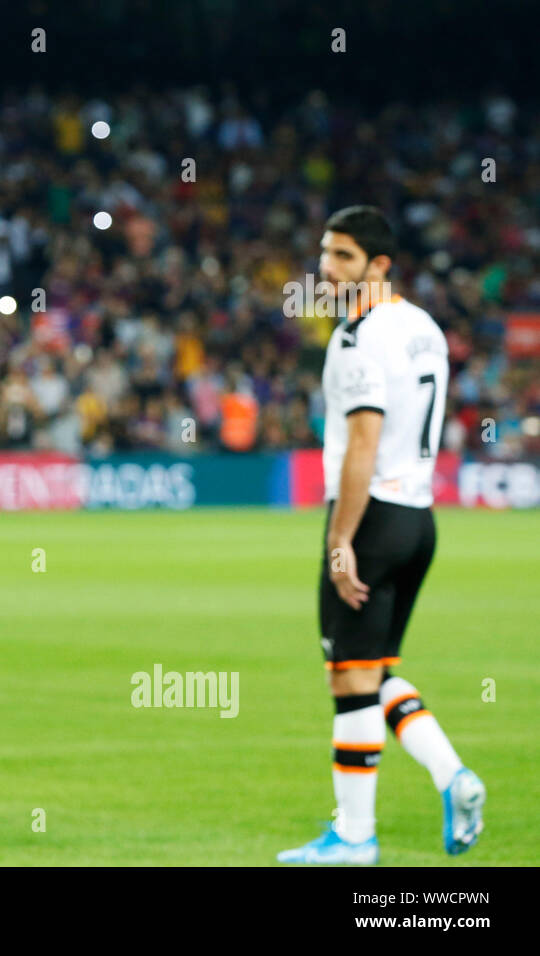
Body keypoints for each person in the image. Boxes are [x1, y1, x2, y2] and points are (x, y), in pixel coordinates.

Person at [278, 206, 484, 865]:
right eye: (325, 253)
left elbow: (362, 445)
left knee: (348, 679)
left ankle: (355, 836)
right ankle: (452, 775)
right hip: (419, 518)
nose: (326, 268)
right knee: (377, 668)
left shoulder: (358, 337)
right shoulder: (423, 327)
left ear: (380, 265)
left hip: (371, 517)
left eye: (342, 256)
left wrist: (341, 539)